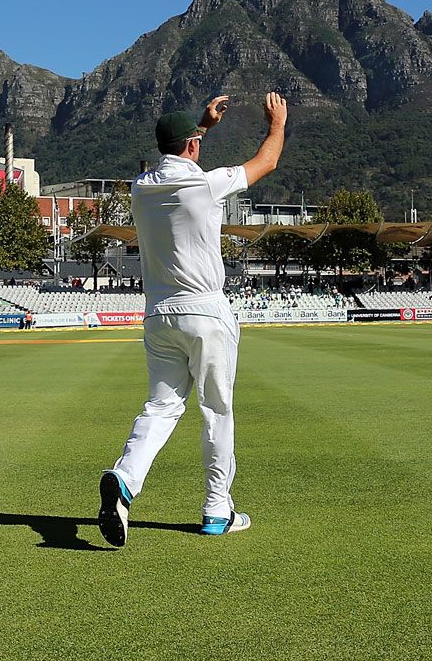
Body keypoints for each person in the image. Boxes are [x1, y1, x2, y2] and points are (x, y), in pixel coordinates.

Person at [98, 92, 288, 548]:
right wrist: (277, 124)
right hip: (205, 310)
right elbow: (266, 162)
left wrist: (200, 127)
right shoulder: (206, 184)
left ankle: (124, 480)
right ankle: (217, 509)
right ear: (192, 146)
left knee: (160, 407)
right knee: (216, 410)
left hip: (158, 314)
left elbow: (178, 151)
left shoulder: (140, 187)